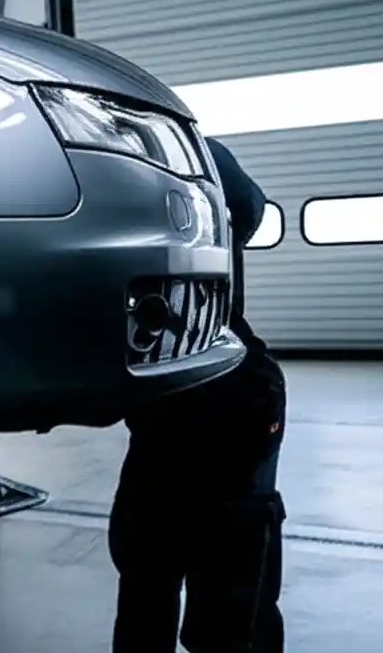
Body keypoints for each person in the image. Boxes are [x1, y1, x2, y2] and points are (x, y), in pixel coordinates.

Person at [107, 137, 287, 653]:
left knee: (148, 579)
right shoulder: (199, 154)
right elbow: (249, 206)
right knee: (234, 587)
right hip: (228, 383)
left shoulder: (130, 165)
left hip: (164, 381)